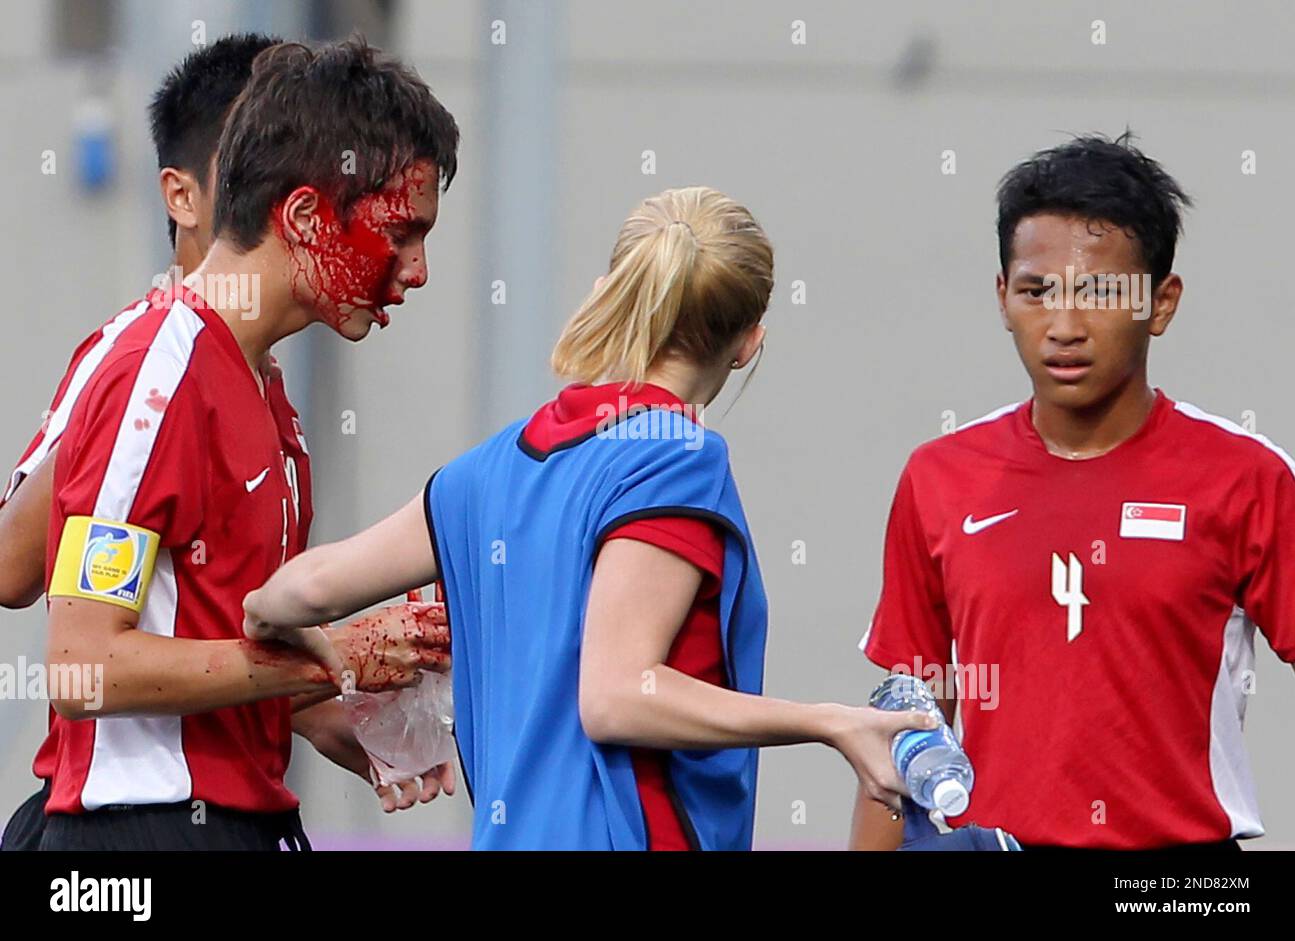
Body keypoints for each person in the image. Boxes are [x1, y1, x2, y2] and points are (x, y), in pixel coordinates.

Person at [244, 185, 935, 850]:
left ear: (610, 293)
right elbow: (615, 695)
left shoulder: (492, 466)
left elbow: (306, 587)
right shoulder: (676, 459)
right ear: (750, 340)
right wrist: (828, 722)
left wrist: (273, 620)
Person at [31, 38, 460, 851]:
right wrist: (329, 657)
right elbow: (81, 668)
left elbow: (214, 651)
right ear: (302, 215)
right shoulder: (157, 371)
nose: (419, 268)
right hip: (139, 837)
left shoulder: (270, 396)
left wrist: (368, 705)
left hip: (242, 825)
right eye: (402, 231)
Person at [851, 133, 1295, 850]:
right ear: (1003, 299)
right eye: (1036, 291)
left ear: (1161, 301)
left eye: (1099, 292)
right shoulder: (939, 477)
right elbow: (906, 726)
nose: (1063, 326)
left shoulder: (1248, 478)